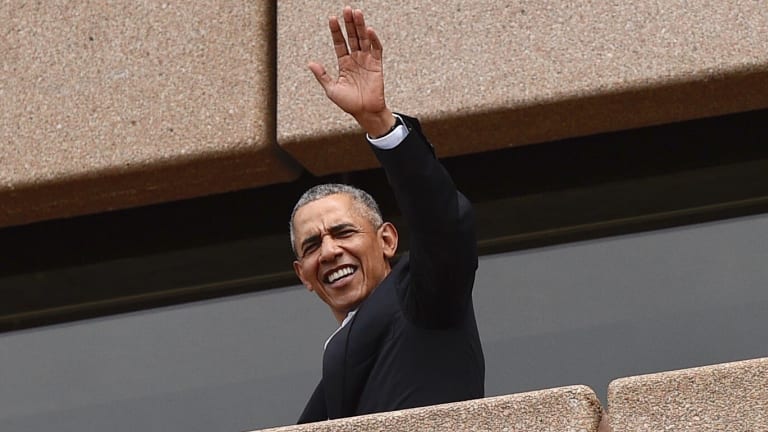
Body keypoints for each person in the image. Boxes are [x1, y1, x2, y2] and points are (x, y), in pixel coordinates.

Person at [290, 7, 484, 423]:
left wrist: (378, 123)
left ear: (388, 241)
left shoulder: (422, 298)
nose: (328, 251)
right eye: (312, 245)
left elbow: (445, 224)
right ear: (303, 274)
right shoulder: (336, 374)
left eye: (343, 232)